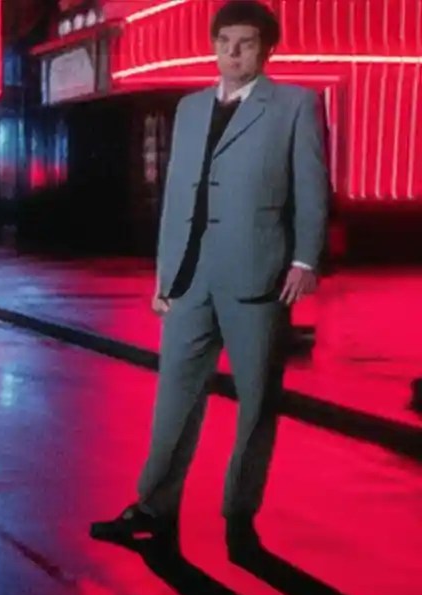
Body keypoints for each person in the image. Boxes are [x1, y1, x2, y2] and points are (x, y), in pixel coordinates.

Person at [89, 1, 328, 560]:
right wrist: (164, 274)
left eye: (245, 43)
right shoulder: (190, 108)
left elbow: (312, 188)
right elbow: (178, 197)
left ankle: (239, 514)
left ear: (267, 49)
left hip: (260, 275)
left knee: (256, 402)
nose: (233, 52)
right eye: (224, 41)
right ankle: (153, 507)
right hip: (190, 279)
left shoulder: (295, 105)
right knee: (174, 395)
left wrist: (306, 261)